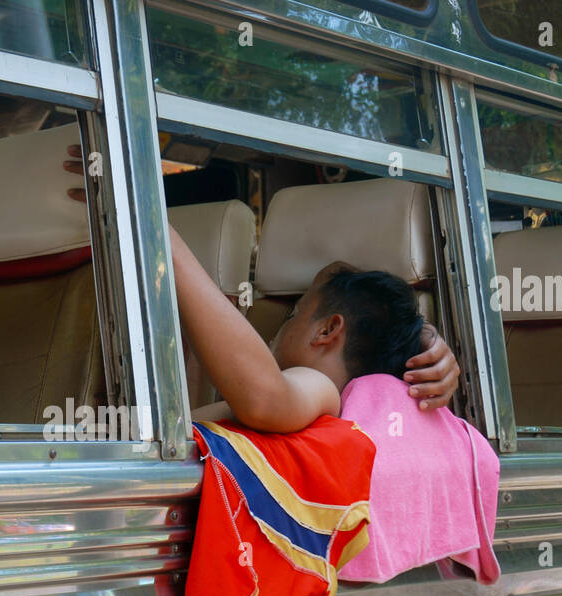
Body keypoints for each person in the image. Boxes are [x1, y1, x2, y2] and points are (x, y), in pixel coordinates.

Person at [64, 146, 460, 432]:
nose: (276, 326)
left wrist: (147, 217)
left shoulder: (322, 389)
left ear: (327, 331)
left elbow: (265, 400)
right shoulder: (320, 395)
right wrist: (418, 332)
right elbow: (331, 272)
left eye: (294, 312)